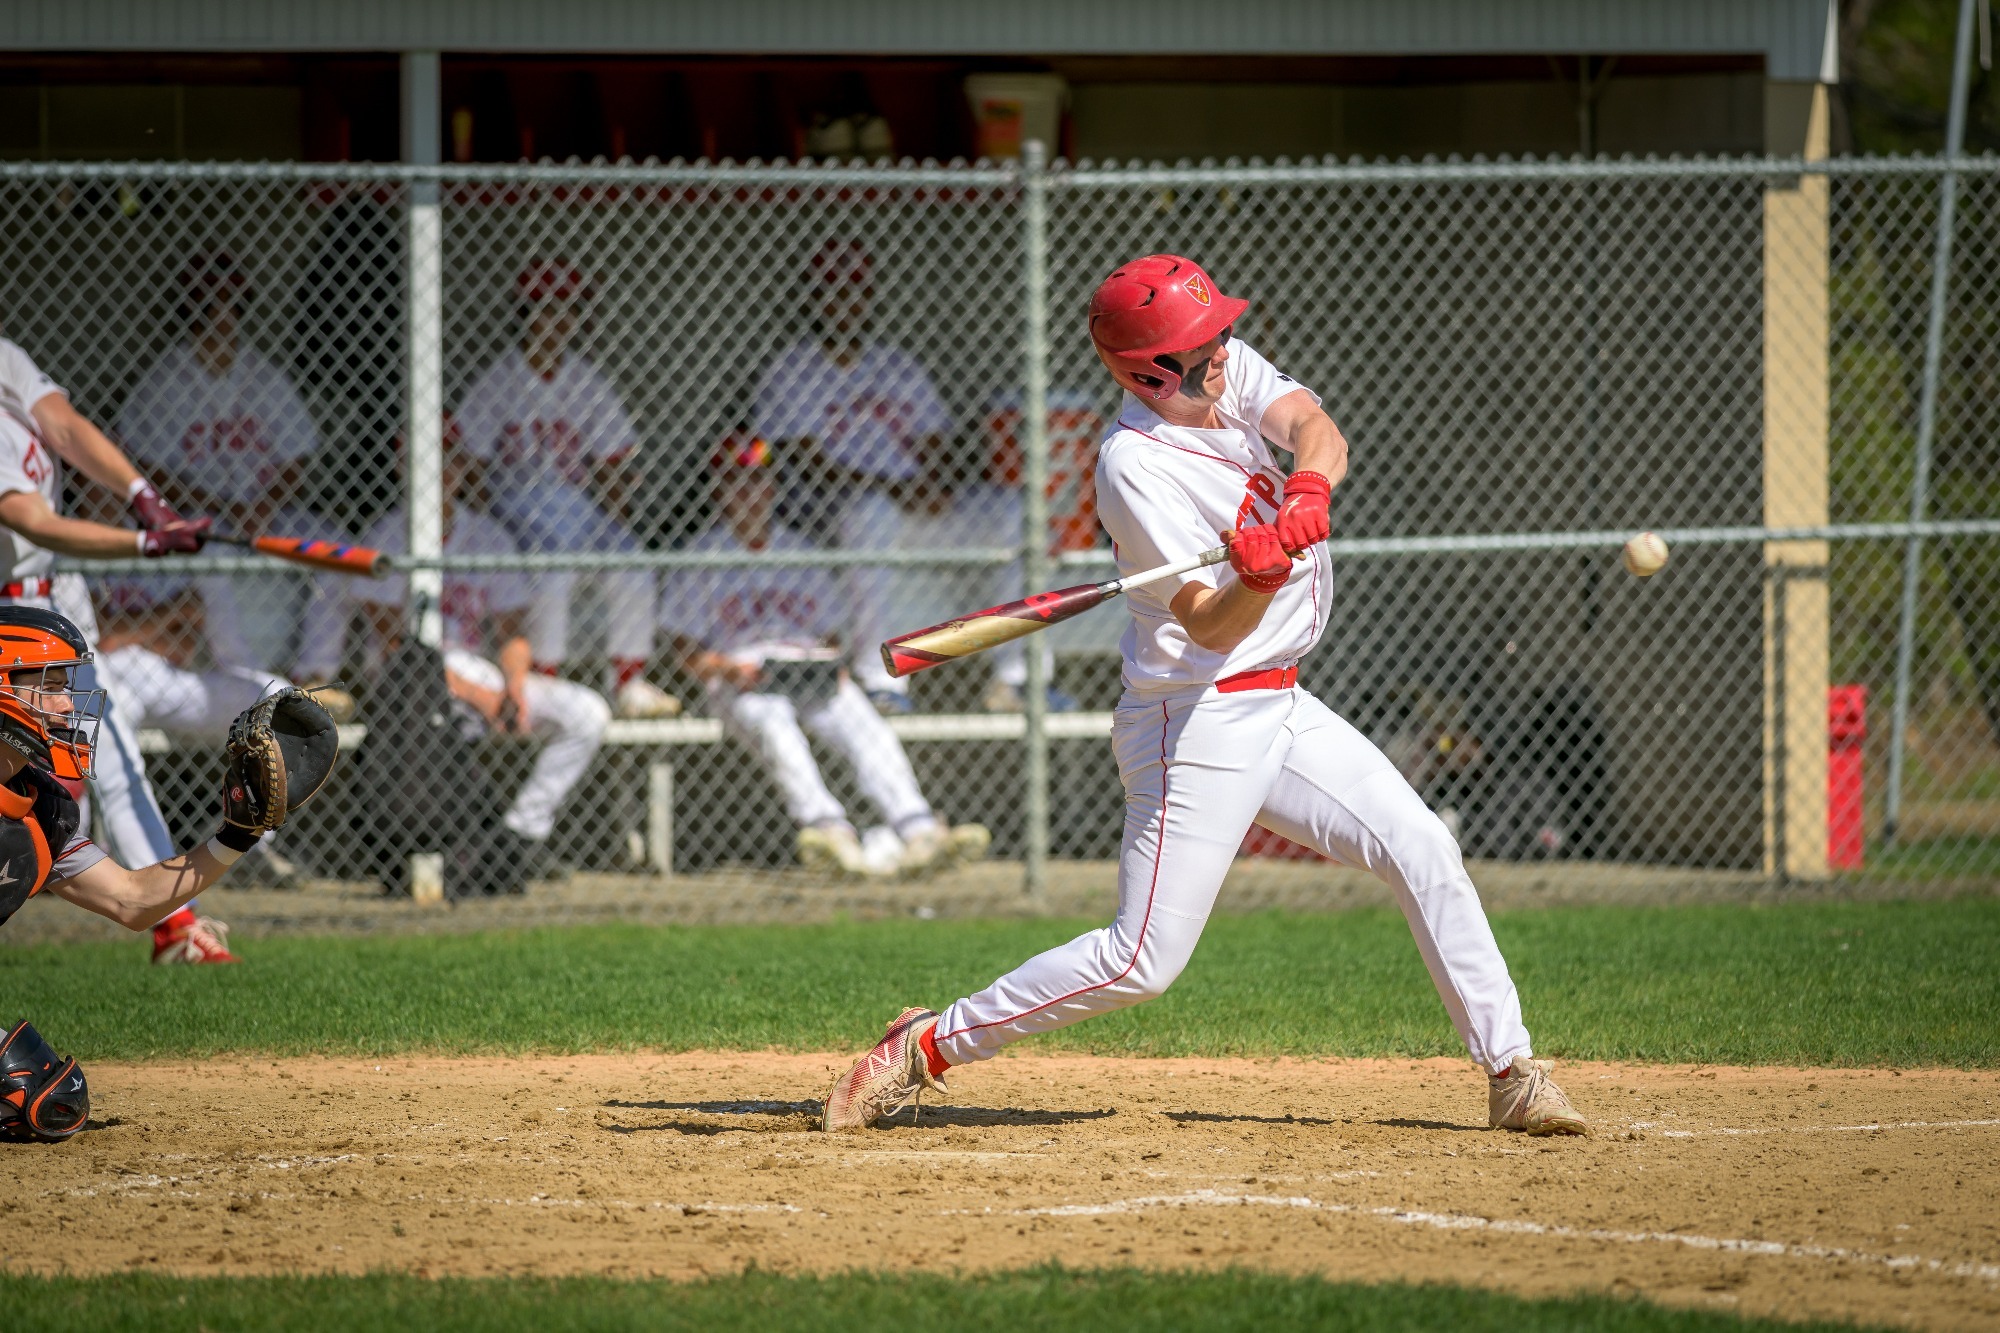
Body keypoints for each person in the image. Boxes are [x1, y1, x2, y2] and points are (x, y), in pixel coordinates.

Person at [823, 254, 1588, 1137]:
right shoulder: (1132, 467)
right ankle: (924, 1044)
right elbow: (1212, 625)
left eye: (1218, 331)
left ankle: (1512, 1071)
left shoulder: (1220, 370)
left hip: (1283, 704)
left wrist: (1305, 490)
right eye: (1200, 344)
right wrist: (1259, 575)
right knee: (1141, 960)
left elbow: (1316, 427)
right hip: (1194, 719)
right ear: (1150, 371)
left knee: (1423, 846)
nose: (1222, 349)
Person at [0, 606, 316, 1139]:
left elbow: (132, 899)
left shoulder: (41, 809)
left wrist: (237, 834)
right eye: (49, 686)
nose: (65, 705)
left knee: (45, 1095)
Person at [0, 333, 236, 963]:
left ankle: (170, 919)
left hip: (54, 605)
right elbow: (34, 521)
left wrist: (145, 501)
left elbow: (67, 427)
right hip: (11, 618)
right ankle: (172, 921)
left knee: (98, 744)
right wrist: (143, 544)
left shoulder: (8, 360)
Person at [658, 433, 989, 878]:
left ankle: (919, 831)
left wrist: (829, 665)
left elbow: (831, 636)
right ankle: (830, 832)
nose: (748, 493)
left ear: (772, 487)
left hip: (804, 668)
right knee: (775, 724)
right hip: (743, 674)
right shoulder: (702, 556)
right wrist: (727, 669)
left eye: (757, 481)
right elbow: (685, 653)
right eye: (735, 482)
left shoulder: (802, 552)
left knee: (864, 724)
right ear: (718, 489)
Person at [296, 443, 611, 879]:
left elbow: (511, 632)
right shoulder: (385, 536)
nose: (440, 473)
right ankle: (447, 849)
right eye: (424, 462)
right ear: (401, 468)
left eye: (451, 461)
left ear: (464, 467)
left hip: (481, 672)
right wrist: (477, 694)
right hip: (408, 681)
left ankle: (519, 836)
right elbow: (393, 644)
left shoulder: (488, 537)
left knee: (587, 713)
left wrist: (515, 684)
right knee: (448, 720)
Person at [451, 261, 679, 720]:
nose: (556, 321)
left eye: (567, 310)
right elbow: (469, 466)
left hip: (579, 510)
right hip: (514, 509)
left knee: (632, 560)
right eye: (545, 309)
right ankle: (545, 679)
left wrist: (614, 526)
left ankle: (629, 680)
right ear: (525, 314)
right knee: (553, 571)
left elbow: (614, 465)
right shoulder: (499, 380)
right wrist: (485, 531)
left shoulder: (586, 381)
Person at [753, 239, 953, 716]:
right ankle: (875, 673)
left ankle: (1016, 676)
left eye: (855, 291)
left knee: (1006, 511)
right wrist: (896, 488)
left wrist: (934, 483)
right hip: (834, 511)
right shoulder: (793, 369)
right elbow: (806, 462)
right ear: (814, 300)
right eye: (833, 291)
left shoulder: (895, 364)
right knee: (872, 514)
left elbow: (940, 444)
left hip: (913, 506)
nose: (845, 302)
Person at [115, 251, 324, 673]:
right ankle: (245, 677)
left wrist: (265, 504)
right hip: (194, 513)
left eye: (230, 301)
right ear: (191, 308)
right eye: (210, 302)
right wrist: (219, 505)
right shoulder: (166, 378)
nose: (221, 313)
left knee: (329, 549)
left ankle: (317, 672)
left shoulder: (260, 373)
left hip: (264, 513)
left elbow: (297, 454)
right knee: (207, 562)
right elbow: (144, 470)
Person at [92, 574, 302, 886]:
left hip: (172, 680)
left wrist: (133, 629)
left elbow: (182, 644)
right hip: (108, 676)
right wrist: (170, 614)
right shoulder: (86, 556)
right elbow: (102, 636)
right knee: (104, 715)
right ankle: (91, 850)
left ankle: (246, 841)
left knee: (274, 695)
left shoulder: (177, 561)